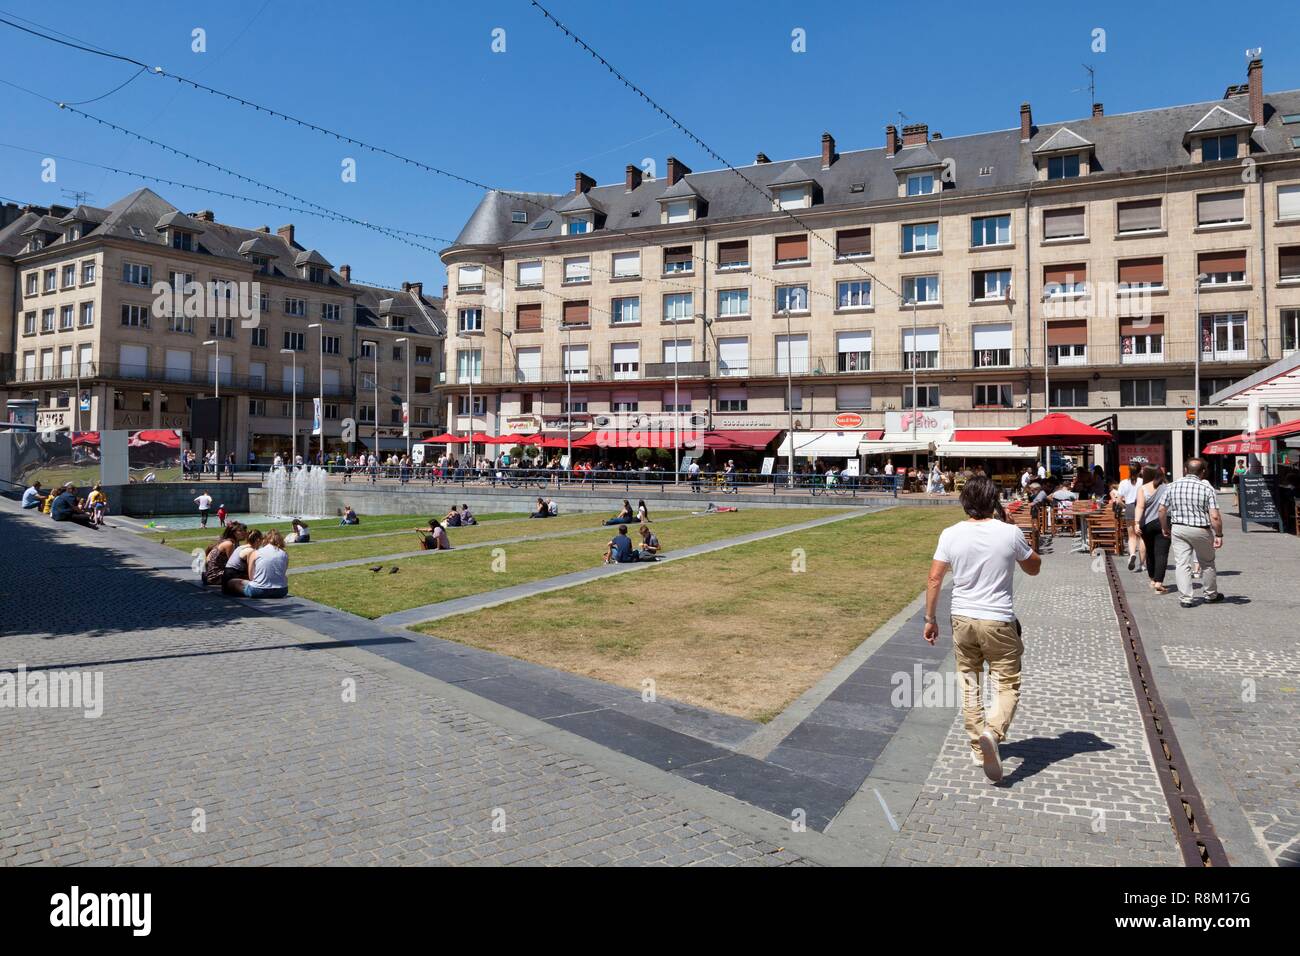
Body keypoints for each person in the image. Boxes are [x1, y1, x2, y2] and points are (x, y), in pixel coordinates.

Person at [925, 476, 1041, 783]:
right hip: (998, 619)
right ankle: (993, 731)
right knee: (1007, 682)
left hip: (962, 618)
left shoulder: (950, 534)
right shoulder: (1010, 532)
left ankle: (978, 748)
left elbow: (934, 578)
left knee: (969, 682)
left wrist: (930, 618)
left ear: (964, 502)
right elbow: (1034, 567)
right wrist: (1018, 533)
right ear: (995, 501)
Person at [1159, 458, 1224, 609]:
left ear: (1185, 470)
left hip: (1178, 528)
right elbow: (1214, 516)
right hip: (1200, 529)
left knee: (1182, 563)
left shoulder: (1171, 486)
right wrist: (1219, 534)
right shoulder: (1207, 488)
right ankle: (1210, 594)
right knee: (1207, 563)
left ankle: (1186, 598)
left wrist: (1164, 527)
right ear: (1203, 472)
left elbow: (1162, 509)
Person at [1135, 466, 1171, 593]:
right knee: (1162, 553)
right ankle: (1159, 582)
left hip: (1146, 524)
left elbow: (1140, 506)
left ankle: (1152, 579)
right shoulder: (1168, 487)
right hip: (1164, 522)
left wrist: (1136, 523)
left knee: (1150, 552)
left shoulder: (1142, 488)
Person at [238, 530, 289, 598]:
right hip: (281, 591)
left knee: (232, 582)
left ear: (265, 540)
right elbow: (283, 573)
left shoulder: (256, 552)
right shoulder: (284, 554)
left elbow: (251, 577)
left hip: (258, 590)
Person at [1117, 460, 1143, 570]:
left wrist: (1126, 507)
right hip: (1141, 508)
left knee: (1131, 536)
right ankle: (1142, 564)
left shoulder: (1123, 483)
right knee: (1141, 537)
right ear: (1140, 470)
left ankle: (1132, 554)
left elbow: (1118, 500)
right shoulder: (1143, 481)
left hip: (1129, 508)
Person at [203, 522, 247, 586]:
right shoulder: (229, 544)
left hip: (212, 574)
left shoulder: (234, 542)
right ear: (233, 533)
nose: (244, 532)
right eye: (240, 531)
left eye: (244, 530)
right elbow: (233, 563)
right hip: (213, 577)